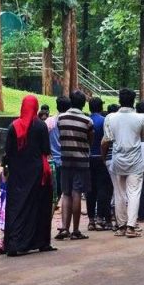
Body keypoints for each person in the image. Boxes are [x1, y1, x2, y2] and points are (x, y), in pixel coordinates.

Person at [3, 95, 55, 256]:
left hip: (17, 173)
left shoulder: (14, 126)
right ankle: (40, 242)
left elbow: (8, 152)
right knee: (39, 206)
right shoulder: (40, 126)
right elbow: (46, 150)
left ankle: (13, 243)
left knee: (16, 206)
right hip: (37, 172)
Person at [102, 88, 144, 237]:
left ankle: (121, 226)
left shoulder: (110, 118)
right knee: (134, 193)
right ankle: (131, 227)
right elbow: (143, 138)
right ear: (133, 101)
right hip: (135, 161)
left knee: (119, 193)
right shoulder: (140, 118)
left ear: (119, 101)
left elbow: (107, 139)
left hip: (117, 159)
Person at [56, 90, 93, 240]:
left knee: (66, 193)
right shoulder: (87, 121)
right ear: (83, 104)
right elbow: (90, 140)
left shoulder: (61, 119)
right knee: (76, 192)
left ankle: (64, 227)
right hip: (81, 161)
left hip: (65, 159)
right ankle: (76, 230)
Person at [87, 97, 113, 231]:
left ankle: (91, 220)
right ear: (101, 107)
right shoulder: (104, 121)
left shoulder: (87, 120)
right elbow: (107, 140)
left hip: (88, 158)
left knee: (90, 189)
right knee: (104, 189)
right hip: (102, 158)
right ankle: (102, 218)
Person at [46, 96, 68, 237]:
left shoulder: (49, 122)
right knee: (67, 194)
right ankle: (65, 225)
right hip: (67, 162)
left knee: (53, 196)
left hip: (52, 163)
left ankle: (46, 225)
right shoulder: (70, 122)